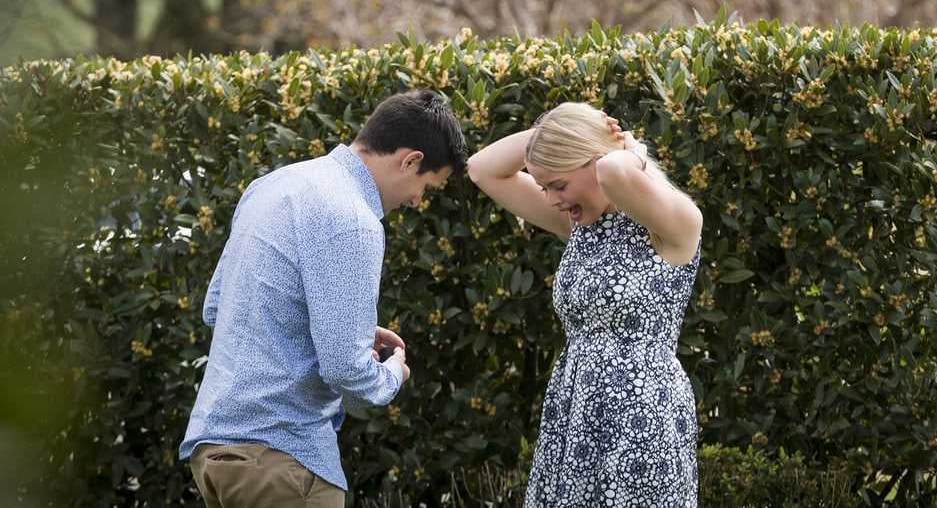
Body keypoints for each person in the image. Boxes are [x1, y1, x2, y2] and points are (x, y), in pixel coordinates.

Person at [179, 89, 468, 508]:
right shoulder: (354, 220)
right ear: (410, 160)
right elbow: (347, 371)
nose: (416, 201)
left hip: (215, 453)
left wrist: (338, 324)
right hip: (281, 458)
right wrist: (392, 374)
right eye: (426, 186)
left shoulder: (272, 184)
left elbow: (217, 307)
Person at [466, 102, 703, 507]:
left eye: (558, 185)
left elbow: (612, 172)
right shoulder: (581, 225)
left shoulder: (674, 223)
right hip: (574, 411)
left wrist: (630, 152)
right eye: (544, 188)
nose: (551, 199)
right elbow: (482, 169)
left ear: (595, 161)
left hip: (642, 415)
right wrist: (553, 131)